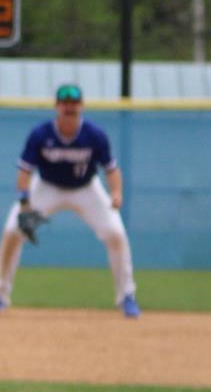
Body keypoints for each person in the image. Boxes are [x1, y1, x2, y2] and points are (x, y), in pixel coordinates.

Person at [1, 83, 141, 318]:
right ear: (57, 106)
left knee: (115, 233)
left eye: (74, 103)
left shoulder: (94, 135)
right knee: (13, 231)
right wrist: (25, 202)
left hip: (86, 189)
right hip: (47, 187)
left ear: (81, 106)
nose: (69, 107)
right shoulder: (41, 134)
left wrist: (116, 192)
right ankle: (1, 294)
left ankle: (127, 296)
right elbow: (24, 171)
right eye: (65, 103)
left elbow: (111, 169)